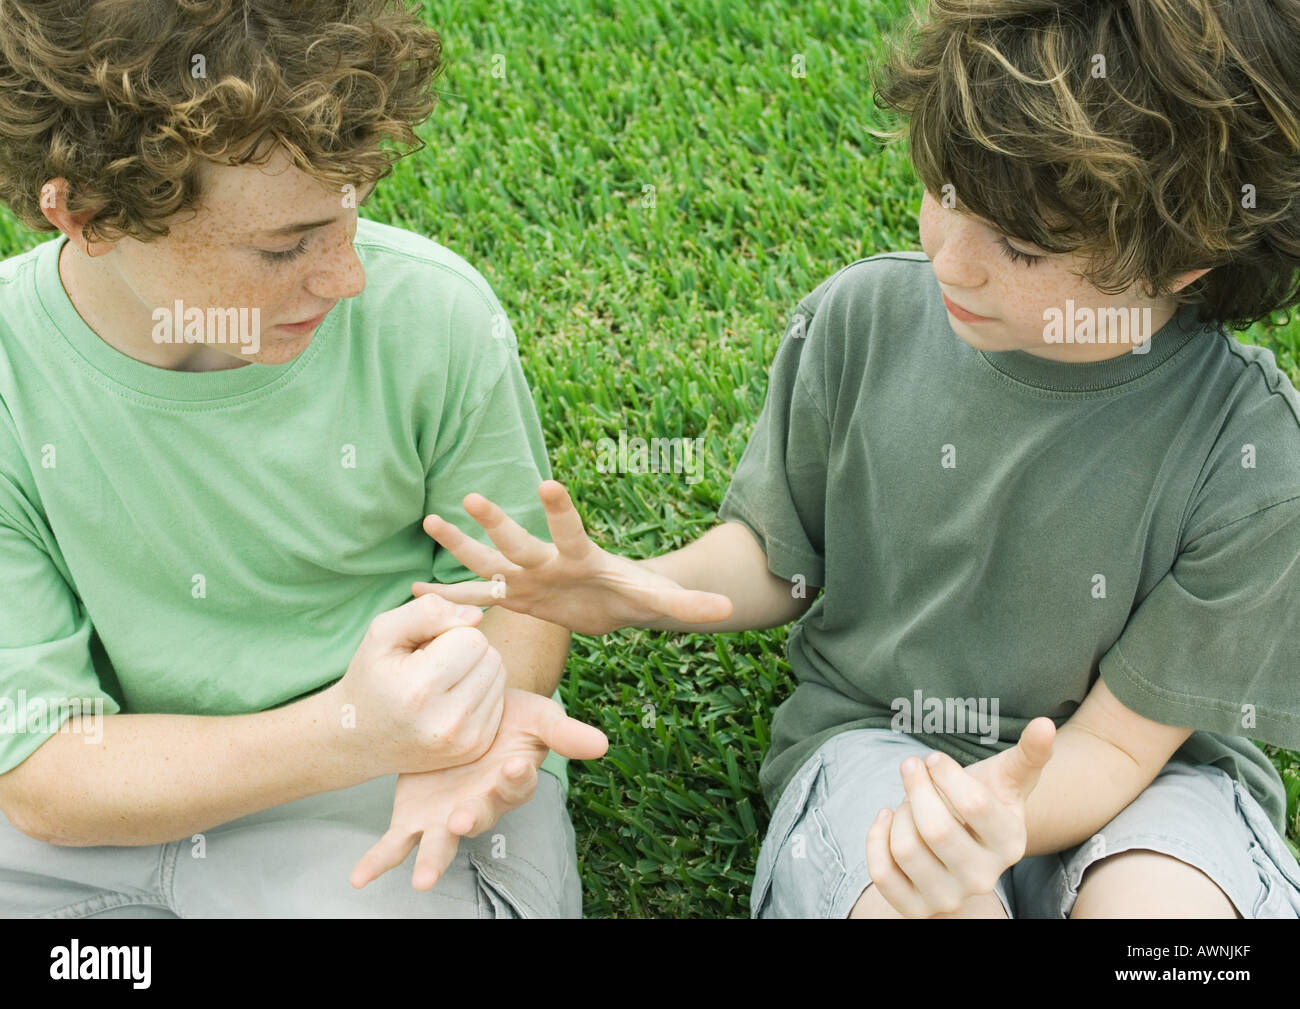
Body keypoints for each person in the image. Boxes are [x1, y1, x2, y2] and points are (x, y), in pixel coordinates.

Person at [407, 0, 1300, 917]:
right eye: (943, 197)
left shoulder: (1253, 452)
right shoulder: (861, 323)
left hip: (1153, 784)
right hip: (882, 741)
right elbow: (776, 562)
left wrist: (994, 820)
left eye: (1022, 247)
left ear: (1189, 260)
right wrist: (638, 587)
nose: (950, 261)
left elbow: (1120, 745)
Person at [0, 0, 605, 918]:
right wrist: (344, 725)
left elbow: (519, 600)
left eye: (347, 220)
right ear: (85, 216)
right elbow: (44, 772)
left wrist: (442, 729)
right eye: (286, 246)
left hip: (388, 798)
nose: (344, 276)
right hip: (92, 816)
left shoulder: (432, 317)